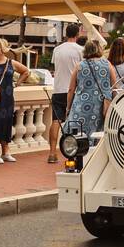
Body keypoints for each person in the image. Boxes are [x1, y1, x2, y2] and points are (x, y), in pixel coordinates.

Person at [47, 23, 84, 164]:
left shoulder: (57, 49)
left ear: (66, 33)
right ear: (78, 34)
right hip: (73, 90)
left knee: (56, 121)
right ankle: (72, 152)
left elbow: (55, 66)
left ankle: (52, 153)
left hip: (57, 90)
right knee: (74, 121)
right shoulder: (80, 50)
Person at [66, 39, 117, 138]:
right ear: (99, 49)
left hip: (80, 107)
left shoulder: (79, 66)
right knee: (97, 135)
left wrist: (68, 108)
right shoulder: (107, 65)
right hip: (100, 107)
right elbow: (114, 87)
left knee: (78, 137)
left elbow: (71, 90)